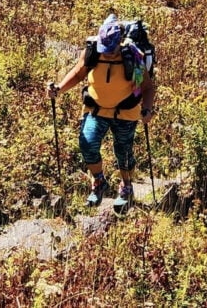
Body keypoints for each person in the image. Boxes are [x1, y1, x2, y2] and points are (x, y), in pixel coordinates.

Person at [47, 14, 155, 214]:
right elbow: (79, 73)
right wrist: (59, 89)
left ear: (119, 43)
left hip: (126, 112)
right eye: (103, 49)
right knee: (87, 143)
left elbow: (147, 87)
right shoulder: (92, 51)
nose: (105, 53)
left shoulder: (132, 54)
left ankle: (126, 187)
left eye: (110, 50)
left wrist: (147, 109)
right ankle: (99, 181)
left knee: (123, 152)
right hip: (96, 110)